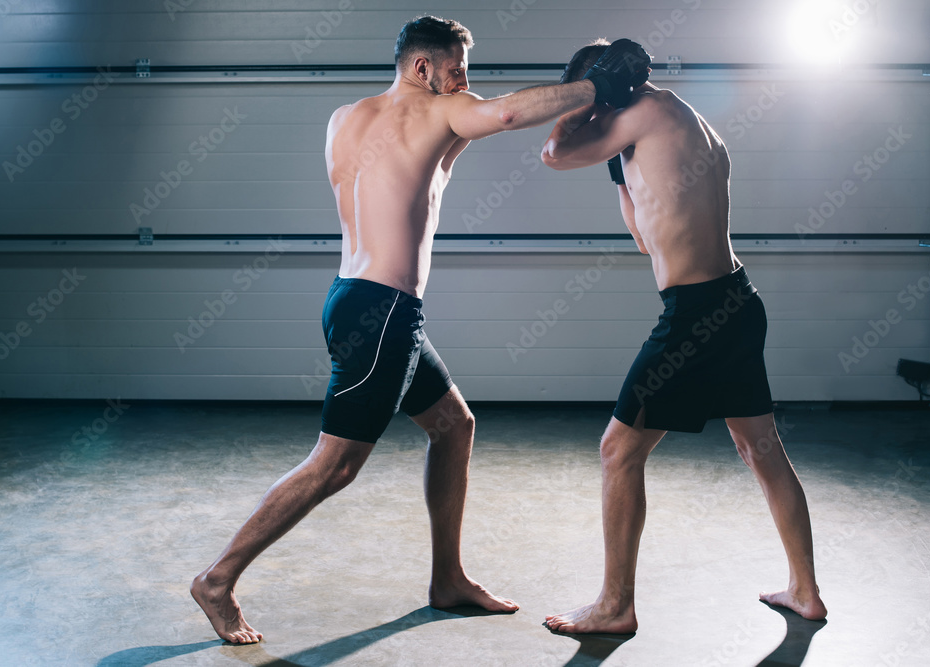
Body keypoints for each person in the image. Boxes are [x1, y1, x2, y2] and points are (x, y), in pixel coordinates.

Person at [190, 16, 634, 644]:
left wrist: (508, 109)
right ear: (423, 69)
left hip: (351, 297)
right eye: (457, 71)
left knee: (453, 426)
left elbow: (465, 131)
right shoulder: (438, 114)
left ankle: (447, 579)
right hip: (385, 315)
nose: (464, 85)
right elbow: (506, 115)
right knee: (336, 464)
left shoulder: (347, 117)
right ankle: (218, 578)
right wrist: (596, 88)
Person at [540, 39, 828, 634]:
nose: (591, 112)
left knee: (618, 453)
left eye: (590, 94)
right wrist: (620, 173)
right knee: (762, 450)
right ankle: (805, 591)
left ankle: (614, 607)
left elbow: (553, 152)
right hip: (737, 302)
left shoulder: (641, 113)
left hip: (696, 313)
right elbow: (648, 238)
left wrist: (581, 103)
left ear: (602, 87)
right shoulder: (684, 120)